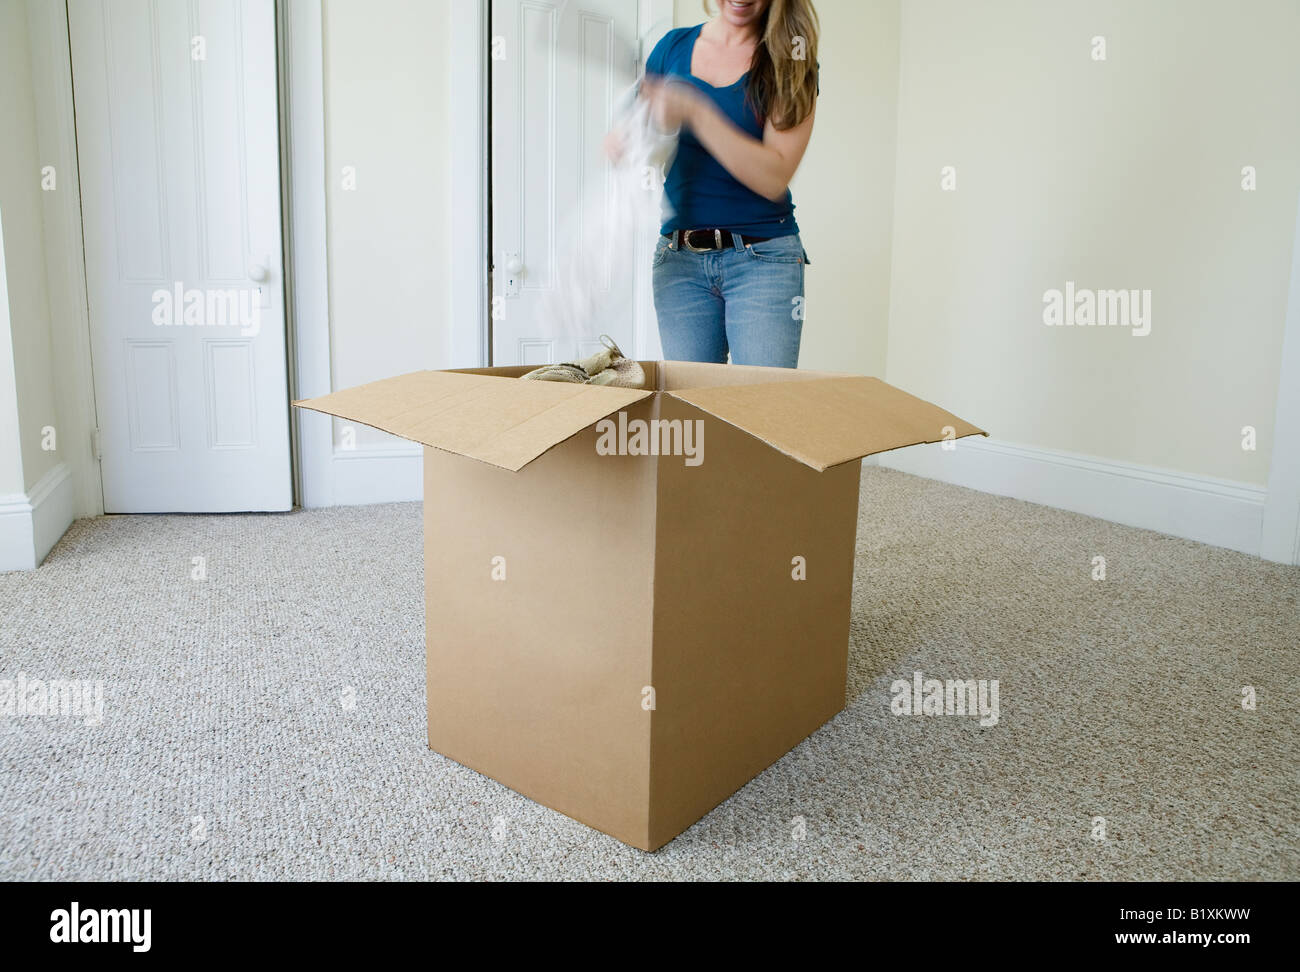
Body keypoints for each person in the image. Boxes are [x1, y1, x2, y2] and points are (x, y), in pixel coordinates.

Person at [628, 0, 820, 368]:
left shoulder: (790, 59)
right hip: (679, 262)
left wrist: (696, 110)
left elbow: (773, 177)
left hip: (763, 260)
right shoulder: (671, 48)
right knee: (694, 414)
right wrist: (629, 138)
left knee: (760, 415)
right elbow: (639, 141)